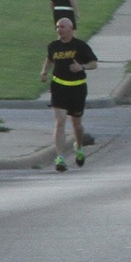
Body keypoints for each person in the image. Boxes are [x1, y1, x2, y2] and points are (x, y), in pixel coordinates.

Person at [40, 18, 98, 172]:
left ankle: (78, 146)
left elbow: (94, 63)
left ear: (71, 28)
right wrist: (44, 71)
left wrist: (81, 67)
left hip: (77, 88)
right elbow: (49, 58)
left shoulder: (80, 46)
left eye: (63, 27)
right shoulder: (54, 46)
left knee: (76, 125)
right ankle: (60, 157)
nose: (59, 29)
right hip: (59, 87)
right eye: (58, 27)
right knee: (60, 121)